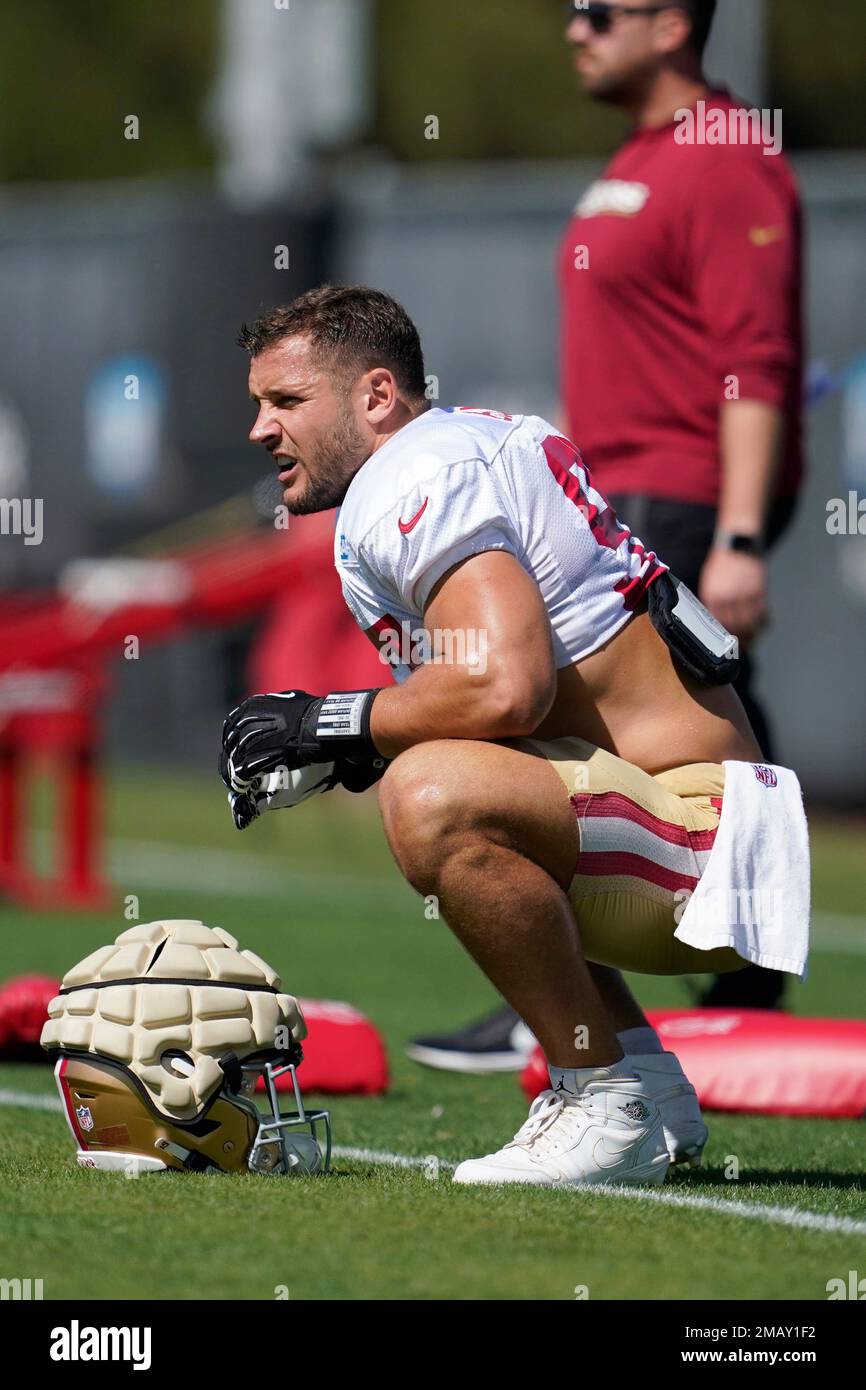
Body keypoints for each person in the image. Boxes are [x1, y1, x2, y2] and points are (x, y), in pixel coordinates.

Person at [219, 284, 809, 1188]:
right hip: (707, 823)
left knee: (437, 798)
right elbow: (505, 701)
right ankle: (647, 1083)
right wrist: (352, 742)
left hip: (705, 842)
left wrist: (329, 720)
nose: (262, 429)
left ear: (377, 397)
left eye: (287, 402)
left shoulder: (412, 474)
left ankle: (600, 1093)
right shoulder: (456, 446)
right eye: (259, 403)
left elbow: (506, 686)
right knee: (438, 770)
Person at [414, 0, 805, 1068]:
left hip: (679, 491)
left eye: (598, 11)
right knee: (599, 736)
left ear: (672, 23)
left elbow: (755, 359)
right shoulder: (641, 155)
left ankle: (592, 990)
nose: (573, 29)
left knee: (595, 734)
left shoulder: (724, 154)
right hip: (612, 492)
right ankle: (665, 982)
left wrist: (733, 533)